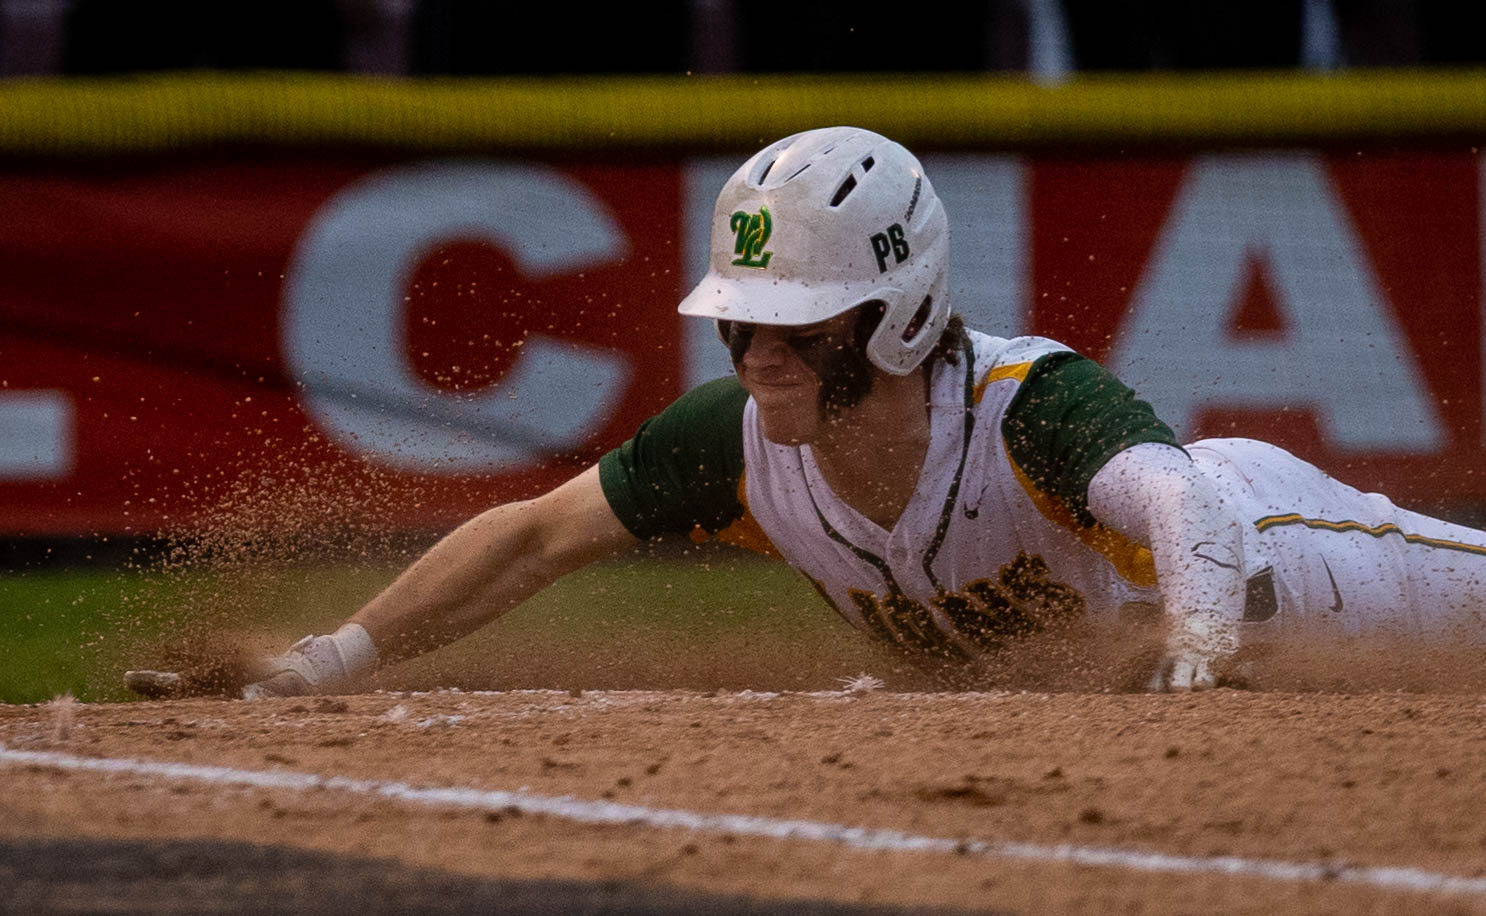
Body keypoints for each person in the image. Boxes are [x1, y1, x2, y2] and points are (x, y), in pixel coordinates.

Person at [125, 126, 1486, 700]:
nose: (754, 352)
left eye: (793, 322)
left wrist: (1196, 645)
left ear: (894, 312)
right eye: (741, 320)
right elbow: (532, 538)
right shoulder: (735, 446)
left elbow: (1182, 499)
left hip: (1293, 557)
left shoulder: (1026, 408)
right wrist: (320, 664)